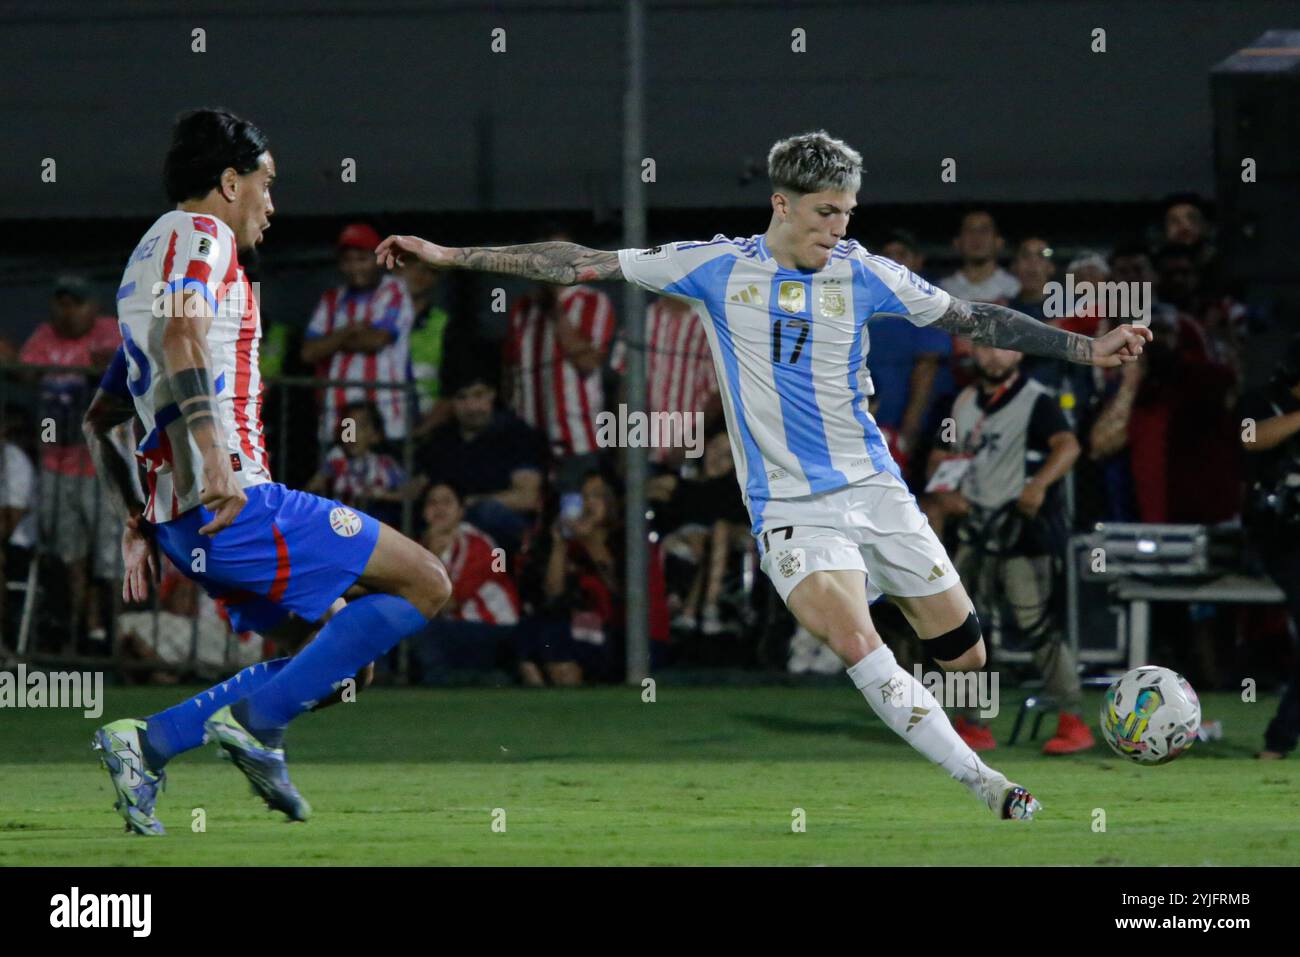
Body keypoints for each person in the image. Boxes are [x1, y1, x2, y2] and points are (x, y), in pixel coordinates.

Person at [376, 129, 1152, 820]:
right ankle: (988, 783)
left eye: (847, 211)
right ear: (781, 204)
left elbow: (975, 318)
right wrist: (451, 257)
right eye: (824, 212)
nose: (839, 227)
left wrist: (1086, 349)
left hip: (875, 491)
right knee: (854, 638)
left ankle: (892, 622)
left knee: (966, 658)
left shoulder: (866, 273)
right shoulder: (717, 266)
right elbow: (580, 265)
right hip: (789, 505)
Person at [83, 109, 450, 836]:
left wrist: (134, 516)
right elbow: (185, 333)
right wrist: (216, 456)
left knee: (342, 665)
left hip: (184, 524)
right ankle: (257, 726)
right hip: (235, 501)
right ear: (228, 182)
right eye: (266, 184)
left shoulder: (140, 267)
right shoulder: (203, 236)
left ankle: (147, 743)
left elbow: (103, 418)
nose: (271, 205)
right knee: (425, 582)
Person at [923, 344, 1093, 755]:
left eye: (1003, 349)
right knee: (963, 631)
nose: (993, 357)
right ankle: (973, 723)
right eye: (984, 348)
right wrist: (947, 495)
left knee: (1034, 625)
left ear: (1019, 356)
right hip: (975, 530)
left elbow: (1068, 446)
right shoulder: (959, 402)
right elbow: (938, 457)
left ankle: (1072, 719)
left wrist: (1037, 486)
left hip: (1019, 530)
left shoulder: (1037, 401)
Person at [19, 275, 123, 647]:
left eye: (75, 303)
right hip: (56, 456)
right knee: (68, 553)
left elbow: (118, 364)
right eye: (61, 302)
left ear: (92, 306)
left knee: (109, 560)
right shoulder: (45, 336)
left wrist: (99, 368)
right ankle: (84, 632)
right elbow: (27, 370)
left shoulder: (108, 330)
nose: (67, 311)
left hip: (100, 463)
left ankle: (115, 637)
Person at [502, 226, 617, 492]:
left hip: (577, 440)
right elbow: (509, 370)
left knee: (574, 516)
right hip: (529, 441)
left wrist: (555, 308)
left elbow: (587, 362)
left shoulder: (593, 302)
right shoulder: (523, 308)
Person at [1239, 333, 1300, 760]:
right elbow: (1249, 437)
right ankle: (1279, 740)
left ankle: (1280, 739)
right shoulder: (1261, 402)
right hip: (1277, 539)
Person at [302, 223, 415, 444]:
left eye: (361, 259)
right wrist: (349, 331)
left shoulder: (394, 291)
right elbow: (308, 353)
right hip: (336, 412)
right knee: (339, 475)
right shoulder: (332, 298)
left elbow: (376, 340)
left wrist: (333, 339)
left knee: (382, 475)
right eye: (347, 261)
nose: (355, 268)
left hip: (385, 414)